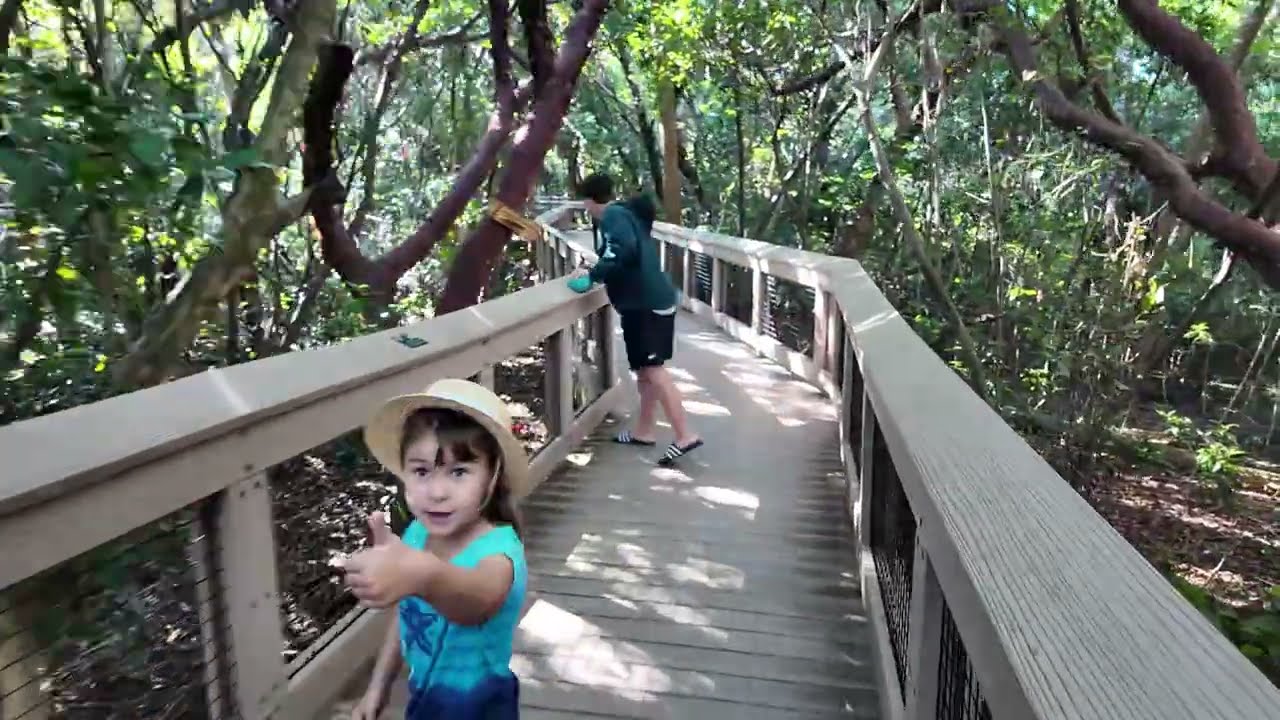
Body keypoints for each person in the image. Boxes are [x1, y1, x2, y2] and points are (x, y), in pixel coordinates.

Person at [339, 378, 530, 720]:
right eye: (422, 471)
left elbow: (476, 603)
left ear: (492, 477)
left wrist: (422, 573)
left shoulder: (499, 552)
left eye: (459, 471)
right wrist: (377, 689)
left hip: (479, 705)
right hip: (425, 695)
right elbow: (405, 615)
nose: (437, 492)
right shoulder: (416, 533)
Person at [567, 172, 703, 465]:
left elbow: (621, 251)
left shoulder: (613, 216)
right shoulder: (625, 213)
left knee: (653, 369)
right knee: (644, 370)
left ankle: (684, 435)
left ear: (589, 200)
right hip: (651, 300)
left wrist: (592, 276)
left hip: (645, 303)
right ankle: (645, 430)